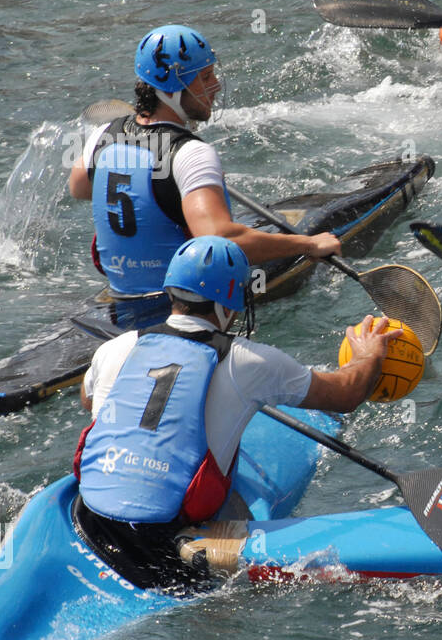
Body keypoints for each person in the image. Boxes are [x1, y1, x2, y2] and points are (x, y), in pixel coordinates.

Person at [73, 235, 403, 590]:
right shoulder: (250, 362)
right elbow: (346, 393)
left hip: (89, 519)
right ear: (228, 304)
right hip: (167, 549)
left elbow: (89, 400)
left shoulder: (114, 348)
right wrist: (369, 354)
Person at [68, 25, 340, 296]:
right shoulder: (191, 153)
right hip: (185, 300)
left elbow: (78, 188)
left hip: (122, 292)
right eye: (206, 77)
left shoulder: (105, 134)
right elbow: (219, 239)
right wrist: (307, 245)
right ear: (174, 89)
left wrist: (159, 187)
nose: (216, 86)